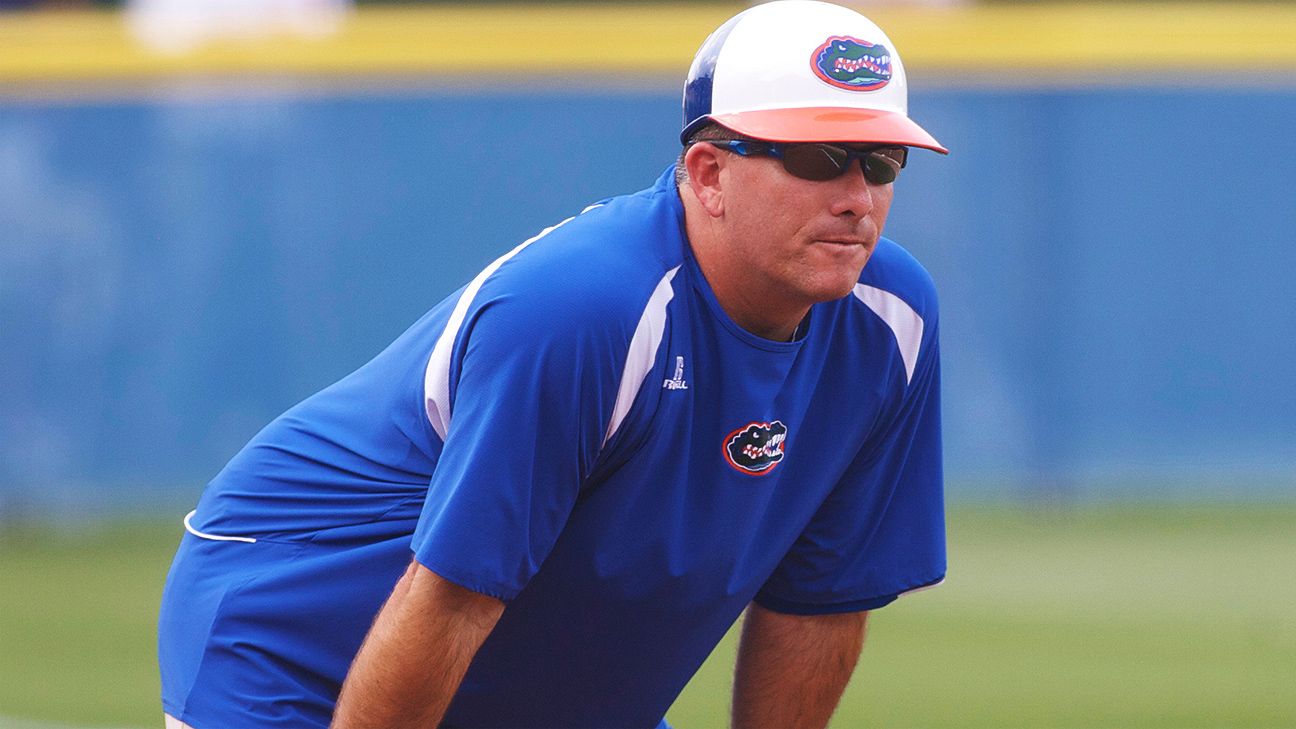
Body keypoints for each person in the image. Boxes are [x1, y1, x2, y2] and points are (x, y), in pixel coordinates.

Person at [157, 1, 948, 727]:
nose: (857, 196)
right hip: (300, 638)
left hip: (523, 649)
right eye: (819, 158)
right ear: (709, 174)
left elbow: (821, 607)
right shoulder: (583, 309)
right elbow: (451, 601)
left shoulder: (893, 321)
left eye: (881, 162)